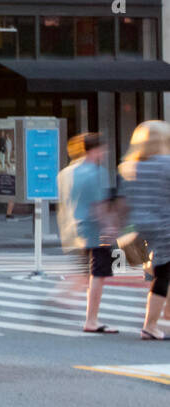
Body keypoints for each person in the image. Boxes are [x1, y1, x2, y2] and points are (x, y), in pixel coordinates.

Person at [56, 132, 117, 334]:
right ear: (95, 149)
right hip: (95, 230)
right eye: (102, 148)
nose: (104, 152)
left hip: (74, 228)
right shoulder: (96, 172)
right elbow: (99, 205)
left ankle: (62, 297)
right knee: (98, 274)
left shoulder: (66, 173)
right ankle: (91, 319)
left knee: (86, 272)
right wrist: (108, 227)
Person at [117, 120, 170, 341]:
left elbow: (124, 202)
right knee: (163, 275)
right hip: (165, 225)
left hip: (138, 228)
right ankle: (150, 325)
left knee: (161, 273)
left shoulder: (129, 167)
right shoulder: (166, 164)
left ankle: (162, 315)